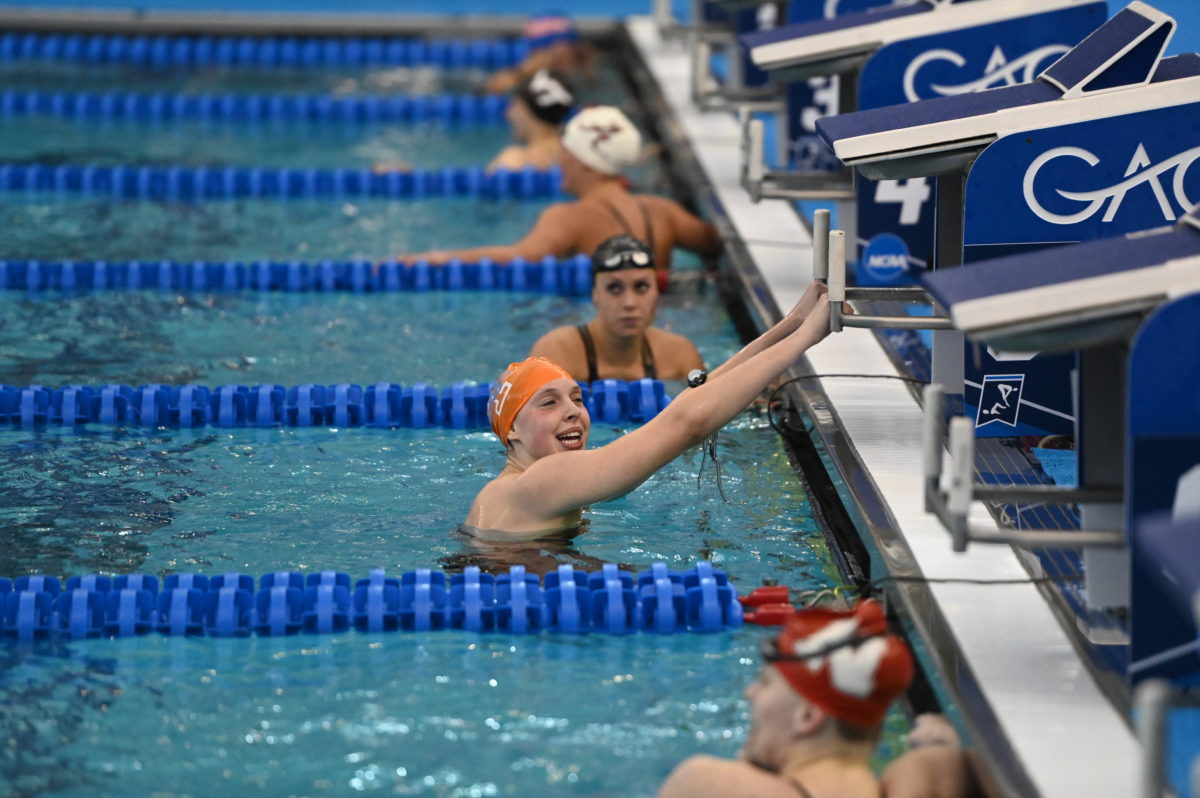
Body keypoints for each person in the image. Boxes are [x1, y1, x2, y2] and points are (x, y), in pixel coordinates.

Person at [462, 280, 830, 539]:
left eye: (577, 398)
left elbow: (680, 411)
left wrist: (790, 326)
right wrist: (807, 339)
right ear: (511, 430)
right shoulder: (540, 482)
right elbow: (686, 424)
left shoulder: (528, 485)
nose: (573, 411)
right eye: (548, 402)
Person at [397, 105, 722, 292]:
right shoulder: (662, 210)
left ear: (583, 161)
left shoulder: (570, 216)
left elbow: (517, 257)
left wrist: (437, 258)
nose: (558, 161)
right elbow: (714, 242)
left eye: (564, 152)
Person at [658, 599, 914, 798]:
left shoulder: (706, 784)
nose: (751, 693)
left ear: (808, 716)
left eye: (765, 682)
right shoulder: (918, 782)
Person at [528, 235, 704, 382]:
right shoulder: (556, 354)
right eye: (614, 288)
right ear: (594, 295)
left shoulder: (680, 357)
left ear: (657, 292)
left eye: (641, 287)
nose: (629, 303)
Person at [486, 68, 575, 174]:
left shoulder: (513, 160)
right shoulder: (576, 159)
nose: (507, 114)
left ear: (527, 110)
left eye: (514, 105)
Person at [485, 12, 595, 95]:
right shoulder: (516, 80)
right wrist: (521, 75)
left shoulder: (591, 76)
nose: (560, 54)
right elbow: (495, 89)